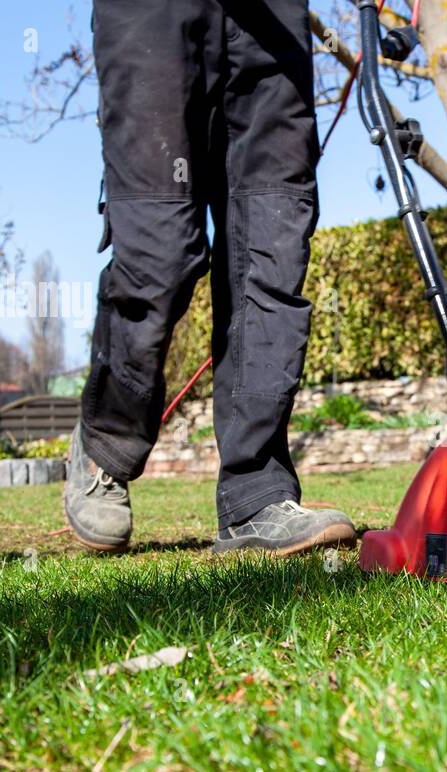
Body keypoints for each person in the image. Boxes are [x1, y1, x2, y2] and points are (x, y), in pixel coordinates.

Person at [64, 0, 356, 556]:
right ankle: (105, 445)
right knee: (159, 252)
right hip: (155, 14)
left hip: (274, 20)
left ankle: (256, 494)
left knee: (272, 248)